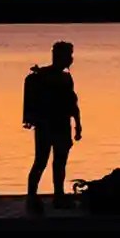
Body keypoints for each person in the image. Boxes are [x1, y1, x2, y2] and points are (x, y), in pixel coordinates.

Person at [23, 41, 82, 212]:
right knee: (41, 161)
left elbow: (72, 104)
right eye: (68, 55)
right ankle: (32, 197)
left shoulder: (65, 77)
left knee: (59, 162)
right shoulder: (40, 77)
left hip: (61, 125)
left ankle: (58, 196)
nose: (71, 59)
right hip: (47, 126)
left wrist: (78, 125)